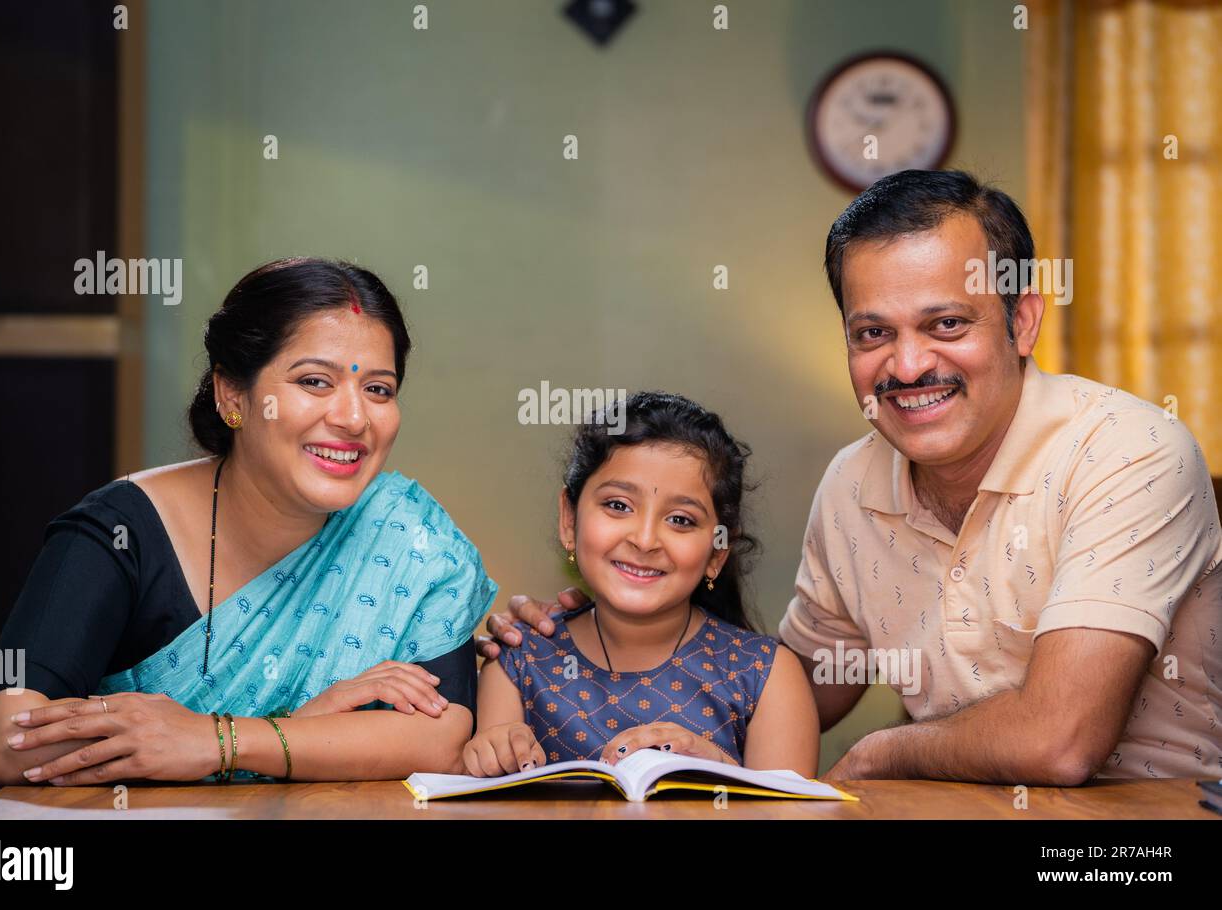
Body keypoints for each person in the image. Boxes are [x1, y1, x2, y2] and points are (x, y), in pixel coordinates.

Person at [482, 170, 1222, 785]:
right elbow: (790, 689)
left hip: (1139, 835)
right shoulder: (852, 483)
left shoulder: (1130, 450)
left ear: (1022, 321)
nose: (906, 366)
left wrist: (880, 753)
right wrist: (601, 626)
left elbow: (1058, 741)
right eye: (873, 334)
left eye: (947, 325)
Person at [0, 257, 497, 785]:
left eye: (378, 389)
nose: (354, 418)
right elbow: (8, 743)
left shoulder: (413, 539)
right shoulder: (121, 532)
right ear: (232, 395)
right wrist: (297, 734)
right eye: (315, 381)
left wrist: (224, 740)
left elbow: (441, 740)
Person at [462, 392, 818, 778]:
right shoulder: (520, 663)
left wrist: (723, 772)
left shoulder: (766, 675)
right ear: (569, 518)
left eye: (681, 520)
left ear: (717, 551)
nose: (645, 540)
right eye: (618, 506)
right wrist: (491, 756)